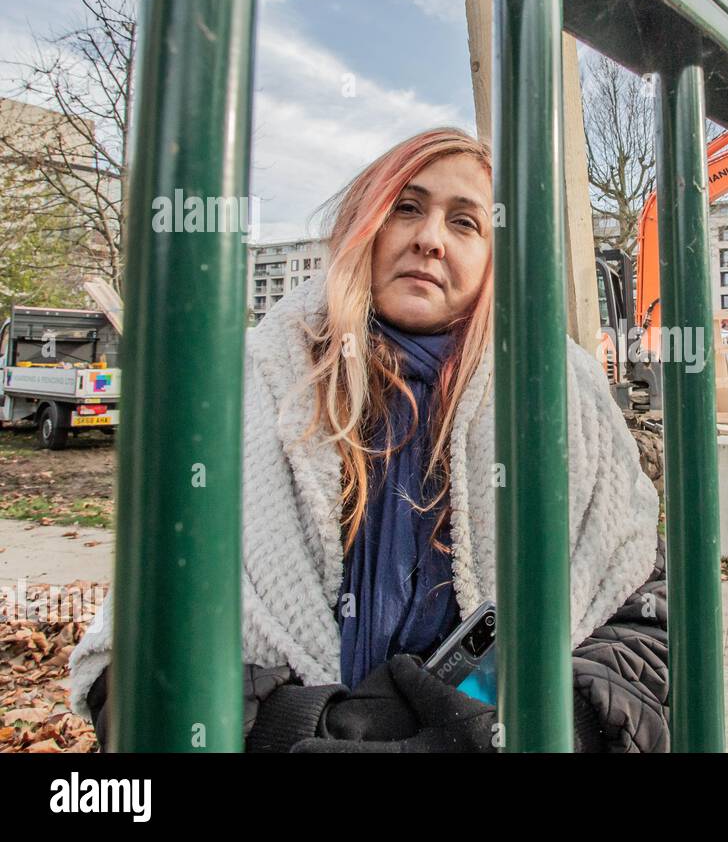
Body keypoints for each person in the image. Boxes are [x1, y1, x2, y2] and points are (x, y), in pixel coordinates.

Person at [69, 128, 669, 752]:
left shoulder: (559, 394)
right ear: (366, 226)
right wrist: (297, 731)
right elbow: (138, 657)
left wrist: (543, 726)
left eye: (466, 223)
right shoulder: (241, 389)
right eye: (406, 207)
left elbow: (641, 619)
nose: (430, 238)